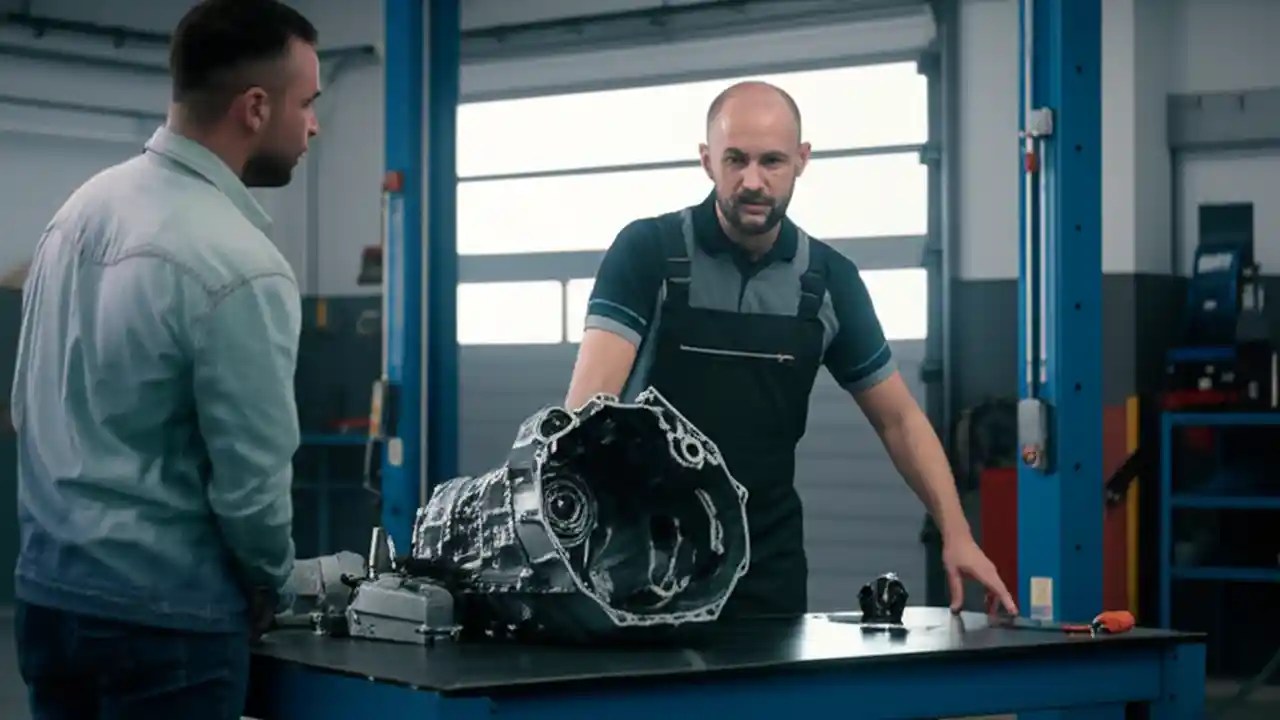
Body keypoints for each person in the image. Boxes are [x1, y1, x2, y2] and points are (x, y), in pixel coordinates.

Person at [564, 81, 1016, 620]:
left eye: (772, 161)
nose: (752, 181)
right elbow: (586, 412)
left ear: (802, 160)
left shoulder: (828, 282)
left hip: (765, 569)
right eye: (735, 159)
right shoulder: (650, 253)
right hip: (640, 563)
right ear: (707, 161)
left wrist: (958, 534)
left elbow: (899, 420)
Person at [9, 0, 320, 716]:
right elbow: (251, 486)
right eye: (306, 104)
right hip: (167, 625)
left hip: (50, 599)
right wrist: (274, 585)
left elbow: (31, 405)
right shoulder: (243, 265)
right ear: (253, 107)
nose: (313, 126)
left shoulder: (77, 213)